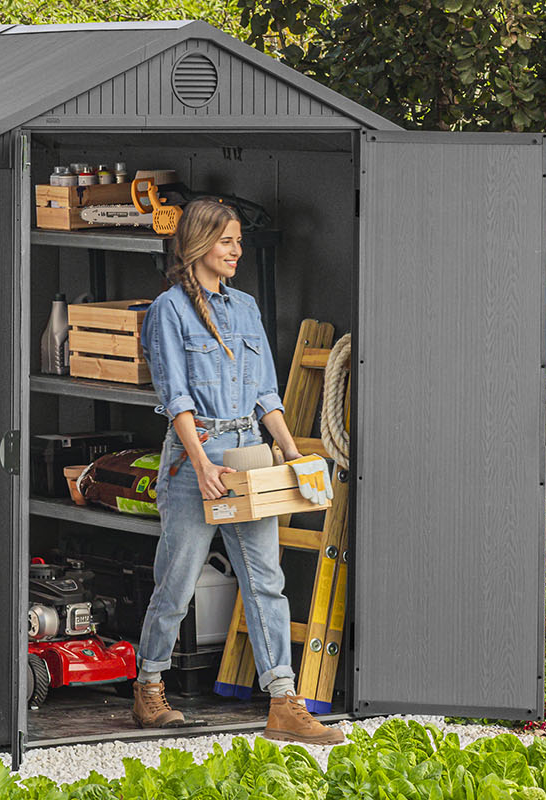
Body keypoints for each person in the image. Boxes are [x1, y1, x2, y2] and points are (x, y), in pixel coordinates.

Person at [130, 198, 345, 745]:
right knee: (176, 583)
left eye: (239, 242)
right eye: (227, 241)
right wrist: (201, 465)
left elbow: (267, 394)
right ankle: (150, 686)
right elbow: (175, 396)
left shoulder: (245, 308)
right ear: (199, 245)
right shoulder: (169, 310)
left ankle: (283, 701)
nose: (236, 251)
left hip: (248, 456)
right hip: (192, 460)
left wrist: (292, 453)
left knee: (265, 580)